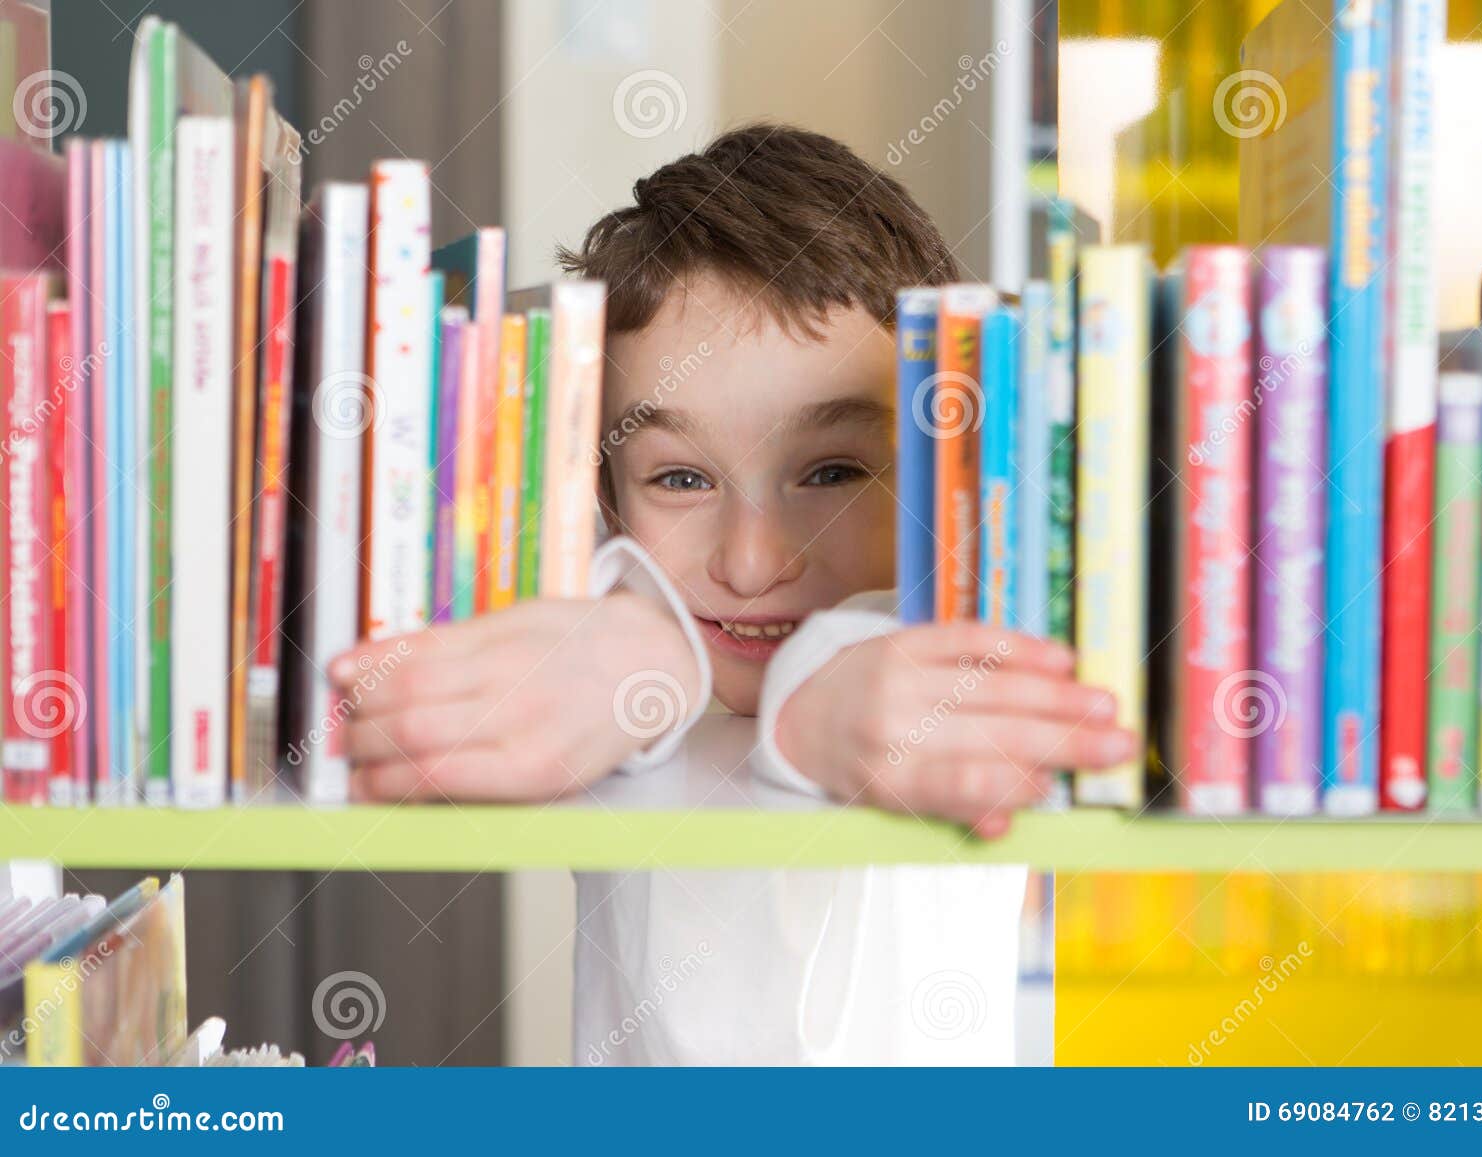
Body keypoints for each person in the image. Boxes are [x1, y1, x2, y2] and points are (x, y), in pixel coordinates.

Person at [330, 124, 1135, 1064]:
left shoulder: (953, 652)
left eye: (832, 472)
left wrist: (798, 707)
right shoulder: (602, 650)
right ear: (608, 498)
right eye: (679, 479)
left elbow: (865, 671)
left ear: (941, 468)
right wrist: (643, 656)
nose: (753, 565)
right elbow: (610, 649)